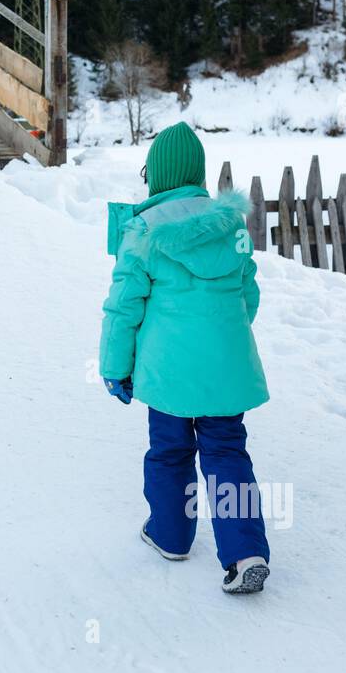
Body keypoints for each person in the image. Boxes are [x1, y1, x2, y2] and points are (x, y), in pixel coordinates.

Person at [98, 121, 272, 594]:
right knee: (227, 453)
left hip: (167, 372)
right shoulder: (232, 226)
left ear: (155, 176)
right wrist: (223, 341)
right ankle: (244, 553)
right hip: (225, 370)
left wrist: (115, 368)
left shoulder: (142, 230)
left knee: (171, 453)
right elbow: (247, 296)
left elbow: (123, 308)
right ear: (198, 174)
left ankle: (170, 535)